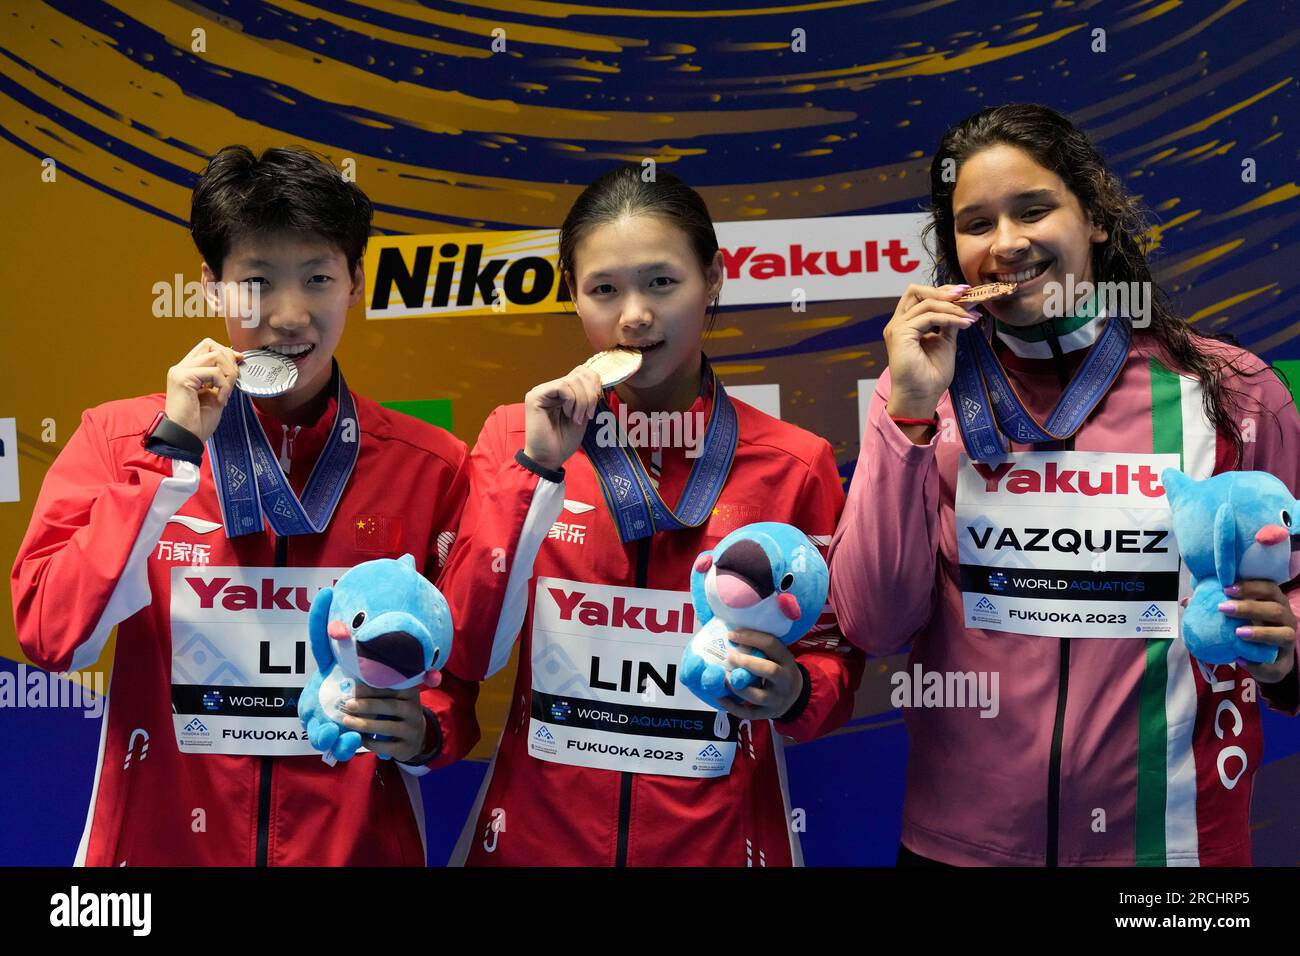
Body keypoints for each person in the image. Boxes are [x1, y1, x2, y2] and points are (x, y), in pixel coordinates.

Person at [829, 103, 1300, 867]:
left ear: (1099, 219)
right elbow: (874, 622)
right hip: (962, 849)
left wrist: (1286, 647)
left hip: (1173, 846)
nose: (1006, 243)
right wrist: (909, 414)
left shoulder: (1230, 391)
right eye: (976, 224)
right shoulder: (920, 392)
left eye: (1034, 209)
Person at [11, 145, 479, 866]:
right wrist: (166, 459)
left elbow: (456, 680)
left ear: (354, 281)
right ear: (211, 287)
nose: (289, 317)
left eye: (317, 278)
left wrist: (426, 730)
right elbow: (52, 635)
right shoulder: (118, 439)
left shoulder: (432, 465)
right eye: (256, 282)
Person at [438, 165, 864, 866]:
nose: (634, 314)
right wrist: (537, 471)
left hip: (721, 844)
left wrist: (795, 689)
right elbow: (467, 645)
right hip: (537, 843)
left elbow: (832, 667)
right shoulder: (516, 438)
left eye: (662, 282)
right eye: (604, 289)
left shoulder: (795, 461)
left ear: (715, 279)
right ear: (574, 297)